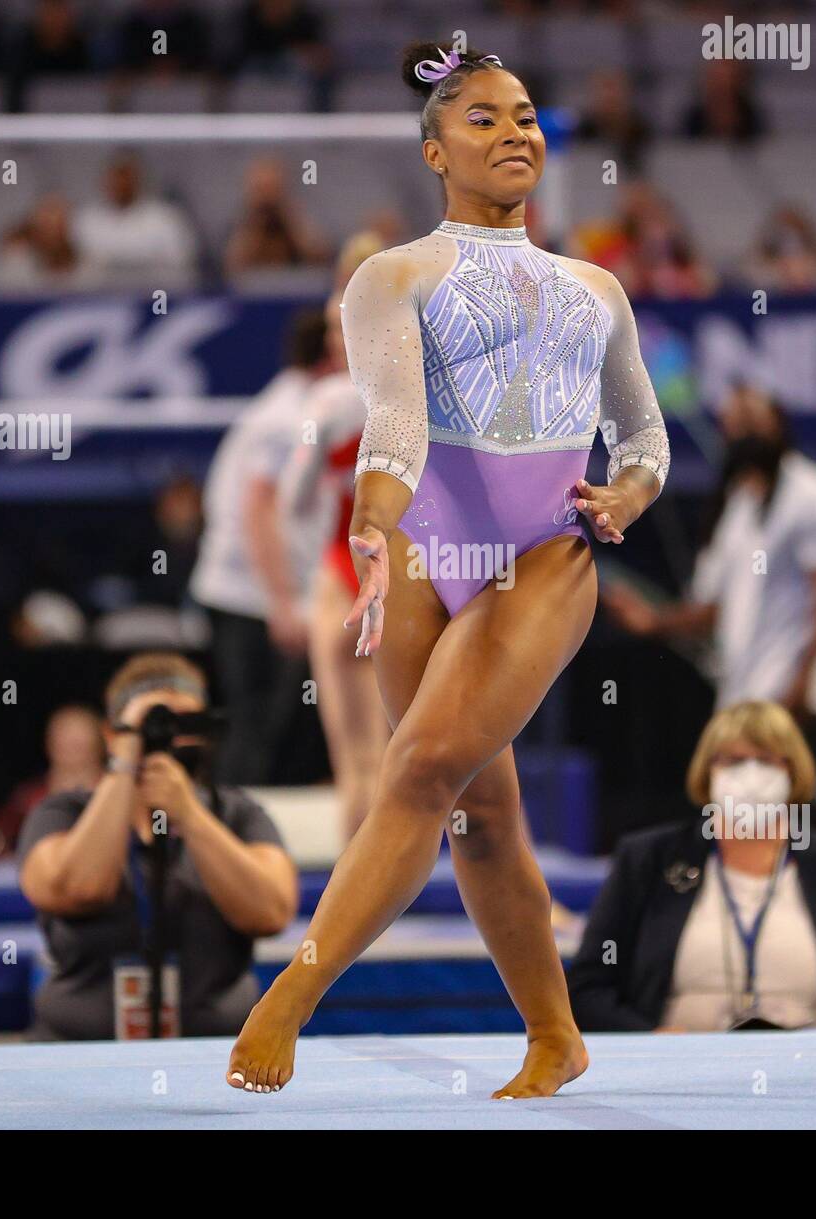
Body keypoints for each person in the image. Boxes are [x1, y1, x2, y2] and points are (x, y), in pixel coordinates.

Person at [226, 41, 670, 1098]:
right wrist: (374, 527)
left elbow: (642, 433)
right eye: (483, 119)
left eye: (524, 115)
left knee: (419, 771)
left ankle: (292, 990)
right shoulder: (393, 276)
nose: (514, 132)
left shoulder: (596, 290)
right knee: (481, 811)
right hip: (426, 554)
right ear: (435, 151)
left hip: (546, 557)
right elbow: (392, 423)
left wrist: (627, 494)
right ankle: (554, 1034)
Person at [567, 702, 816, 1031]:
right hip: (680, 1070)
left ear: (793, 771)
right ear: (707, 773)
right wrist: (655, 1038)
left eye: (767, 761)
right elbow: (587, 989)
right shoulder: (647, 860)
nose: (750, 774)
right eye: (734, 761)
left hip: (814, 1073)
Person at [18, 652, 298, 1040]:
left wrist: (190, 815)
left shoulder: (236, 813)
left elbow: (272, 911)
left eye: (187, 723)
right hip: (77, 1051)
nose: (173, 739)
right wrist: (125, 761)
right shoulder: (63, 813)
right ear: (111, 732)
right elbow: (77, 888)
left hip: (213, 1054)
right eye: (157, 723)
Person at [604, 386, 816, 720]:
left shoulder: (814, 496)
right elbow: (716, 610)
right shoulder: (739, 504)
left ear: (777, 423)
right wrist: (654, 621)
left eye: (752, 421)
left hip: (792, 694)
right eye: (733, 424)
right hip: (742, 693)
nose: (743, 433)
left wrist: (803, 681)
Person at [278, 235, 391, 837]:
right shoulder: (408, 399)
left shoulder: (323, 402)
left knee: (355, 765)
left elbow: (293, 499)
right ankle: (392, 896)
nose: (327, 340)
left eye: (334, 328)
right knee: (399, 760)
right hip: (395, 577)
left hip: (338, 575)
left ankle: (352, 913)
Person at [191, 307, 331, 786]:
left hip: (258, 593)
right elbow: (257, 510)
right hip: (247, 597)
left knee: (275, 731)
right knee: (255, 730)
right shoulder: (287, 417)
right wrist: (283, 602)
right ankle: (237, 841)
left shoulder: (300, 406)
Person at [0, 704, 106, 855]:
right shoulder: (29, 797)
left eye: (78, 740)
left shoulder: (117, 793)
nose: (71, 745)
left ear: (99, 740)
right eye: (64, 737)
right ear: (50, 742)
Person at [74, 153, 197, 292]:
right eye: (115, 178)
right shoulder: (87, 220)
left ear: (137, 179)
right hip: (100, 300)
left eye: (125, 177)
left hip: (157, 299)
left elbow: (184, 264)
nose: (120, 184)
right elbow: (77, 269)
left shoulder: (165, 218)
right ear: (105, 181)